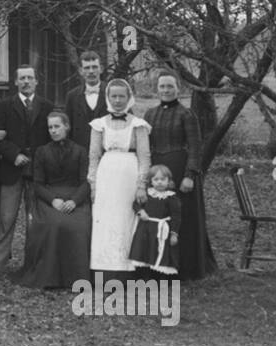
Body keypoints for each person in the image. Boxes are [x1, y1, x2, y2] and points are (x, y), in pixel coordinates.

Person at [146, 69, 217, 279]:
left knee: (182, 217)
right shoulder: (149, 114)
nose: (166, 90)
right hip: (157, 172)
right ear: (157, 89)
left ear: (178, 89)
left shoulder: (187, 114)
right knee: (159, 215)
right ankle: (159, 266)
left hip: (180, 171)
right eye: (162, 86)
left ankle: (186, 268)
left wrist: (190, 175)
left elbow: (195, 147)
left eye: (170, 86)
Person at [14, 111, 92, 289]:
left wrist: (74, 201)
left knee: (80, 226)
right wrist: (53, 200)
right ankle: (51, 277)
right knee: (54, 224)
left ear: (67, 127)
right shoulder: (42, 152)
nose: (53, 131)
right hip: (49, 198)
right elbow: (38, 183)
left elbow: (85, 182)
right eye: (50, 127)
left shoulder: (80, 151)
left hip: (75, 197)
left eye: (57, 126)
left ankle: (76, 277)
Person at [0, 64, 51, 274]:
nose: (26, 82)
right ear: (15, 82)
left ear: (36, 81)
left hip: (37, 172)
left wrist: (38, 160)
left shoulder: (47, 106)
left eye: (29, 78)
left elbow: (52, 137)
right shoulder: (4, 106)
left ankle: (33, 264)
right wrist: (14, 154)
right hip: (11, 170)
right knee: (6, 218)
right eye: (22, 78)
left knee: (34, 219)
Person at [88, 78, 152, 280]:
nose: (117, 100)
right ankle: (104, 273)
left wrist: (141, 185)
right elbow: (93, 156)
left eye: (121, 96)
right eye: (113, 96)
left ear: (128, 98)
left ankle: (127, 273)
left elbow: (144, 156)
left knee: (126, 219)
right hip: (106, 175)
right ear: (108, 98)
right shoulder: (99, 124)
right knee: (106, 220)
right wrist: (93, 185)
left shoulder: (138, 124)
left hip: (128, 174)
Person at [129, 164, 181, 276]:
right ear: (151, 181)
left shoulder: (171, 197)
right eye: (156, 179)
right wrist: (140, 212)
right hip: (146, 229)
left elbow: (176, 216)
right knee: (145, 251)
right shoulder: (148, 194)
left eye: (163, 179)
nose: (159, 182)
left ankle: (158, 278)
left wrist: (174, 234)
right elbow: (136, 204)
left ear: (169, 181)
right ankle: (143, 277)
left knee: (159, 252)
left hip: (161, 231)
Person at [62, 50, 106, 151]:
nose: (91, 71)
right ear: (80, 71)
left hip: (106, 152)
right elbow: (67, 128)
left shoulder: (111, 92)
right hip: (80, 152)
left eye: (94, 67)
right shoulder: (72, 96)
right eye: (87, 68)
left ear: (101, 69)